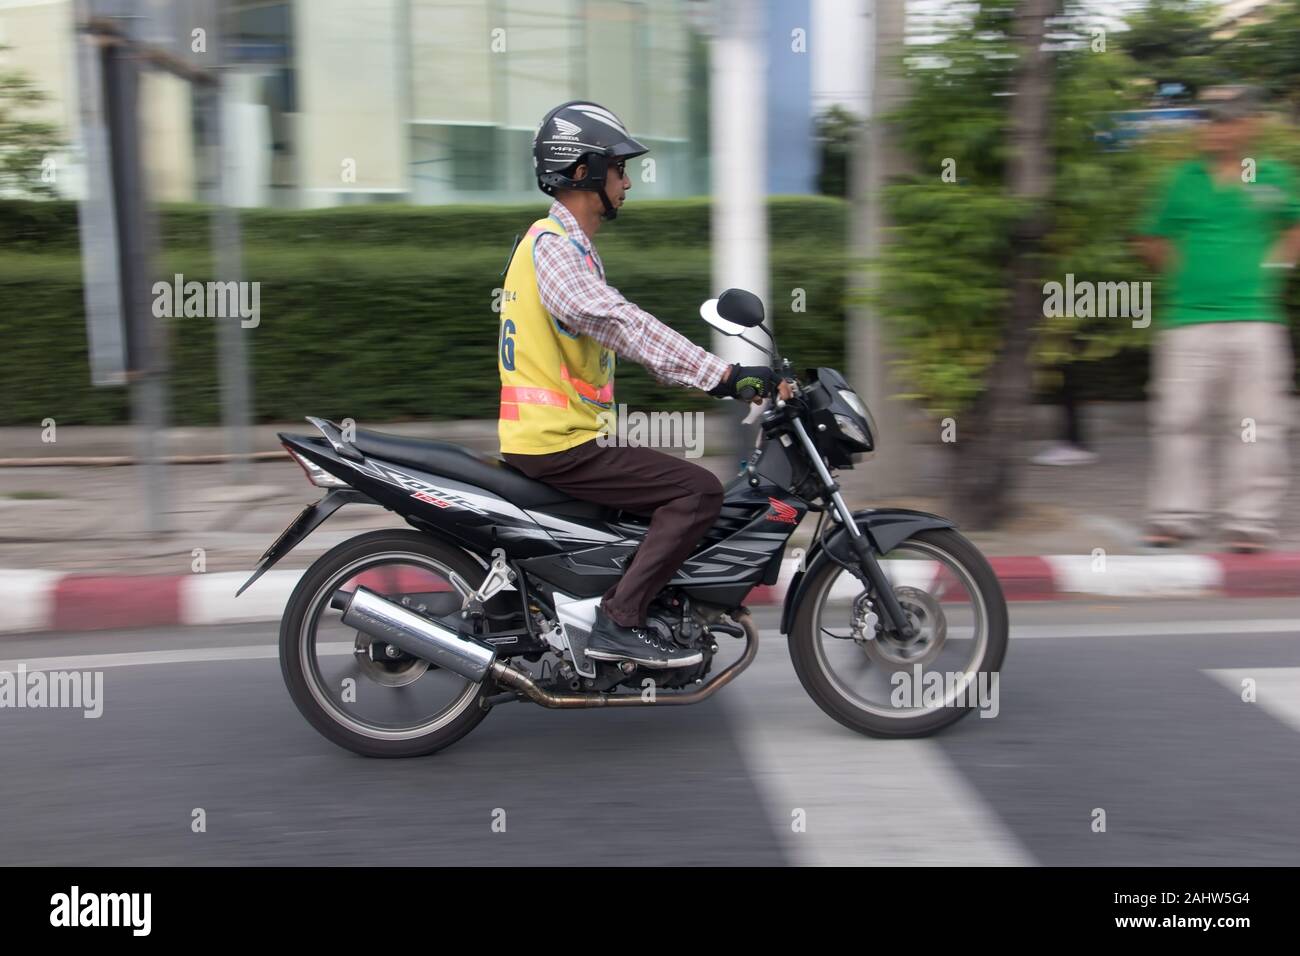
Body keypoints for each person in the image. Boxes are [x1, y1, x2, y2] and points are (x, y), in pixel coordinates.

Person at [497, 100, 781, 667]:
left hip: (565, 437)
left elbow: (628, 340)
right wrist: (723, 376)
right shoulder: (554, 250)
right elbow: (623, 324)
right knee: (696, 491)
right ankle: (619, 621)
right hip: (561, 443)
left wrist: (709, 378)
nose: (628, 182)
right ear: (584, 172)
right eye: (620, 169)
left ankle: (630, 604)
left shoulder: (568, 249)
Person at [1136, 85, 1300, 553]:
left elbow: (1295, 226)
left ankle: (1249, 523)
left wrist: (1275, 270)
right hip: (1188, 321)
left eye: (1227, 120)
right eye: (1210, 120)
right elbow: (1151, 237)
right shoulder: (1183, 178)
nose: (1217, 128)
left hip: (1255, 319)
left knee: (1257, 424)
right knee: (1178, 421)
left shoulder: (1273, 175)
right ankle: (1174, 518)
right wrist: (1187, 276)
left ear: (1250, 125)